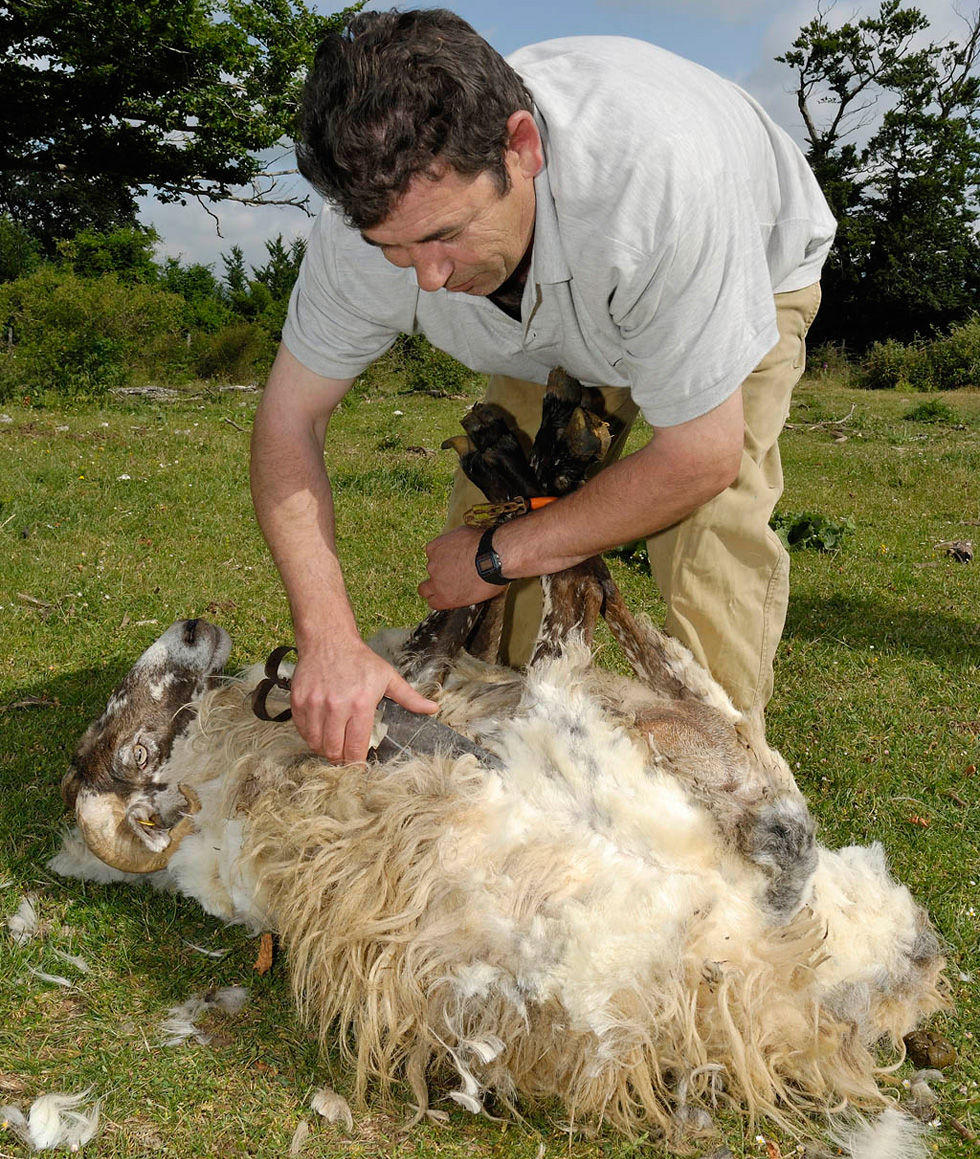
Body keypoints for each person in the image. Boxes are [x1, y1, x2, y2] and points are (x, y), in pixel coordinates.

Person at [249, 8, 836, 764]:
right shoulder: (358, 236)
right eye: (393, 247)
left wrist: (498, 554)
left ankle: (725, 778)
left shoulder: (655, 186)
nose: (429, 279)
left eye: (445, 234)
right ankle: (490, 742)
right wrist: (327, 638)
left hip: (742, 264)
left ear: (521, 147)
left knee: (707, 536)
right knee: (502, 490)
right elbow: (288, 423)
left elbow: (701, 456)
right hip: (557, 308)